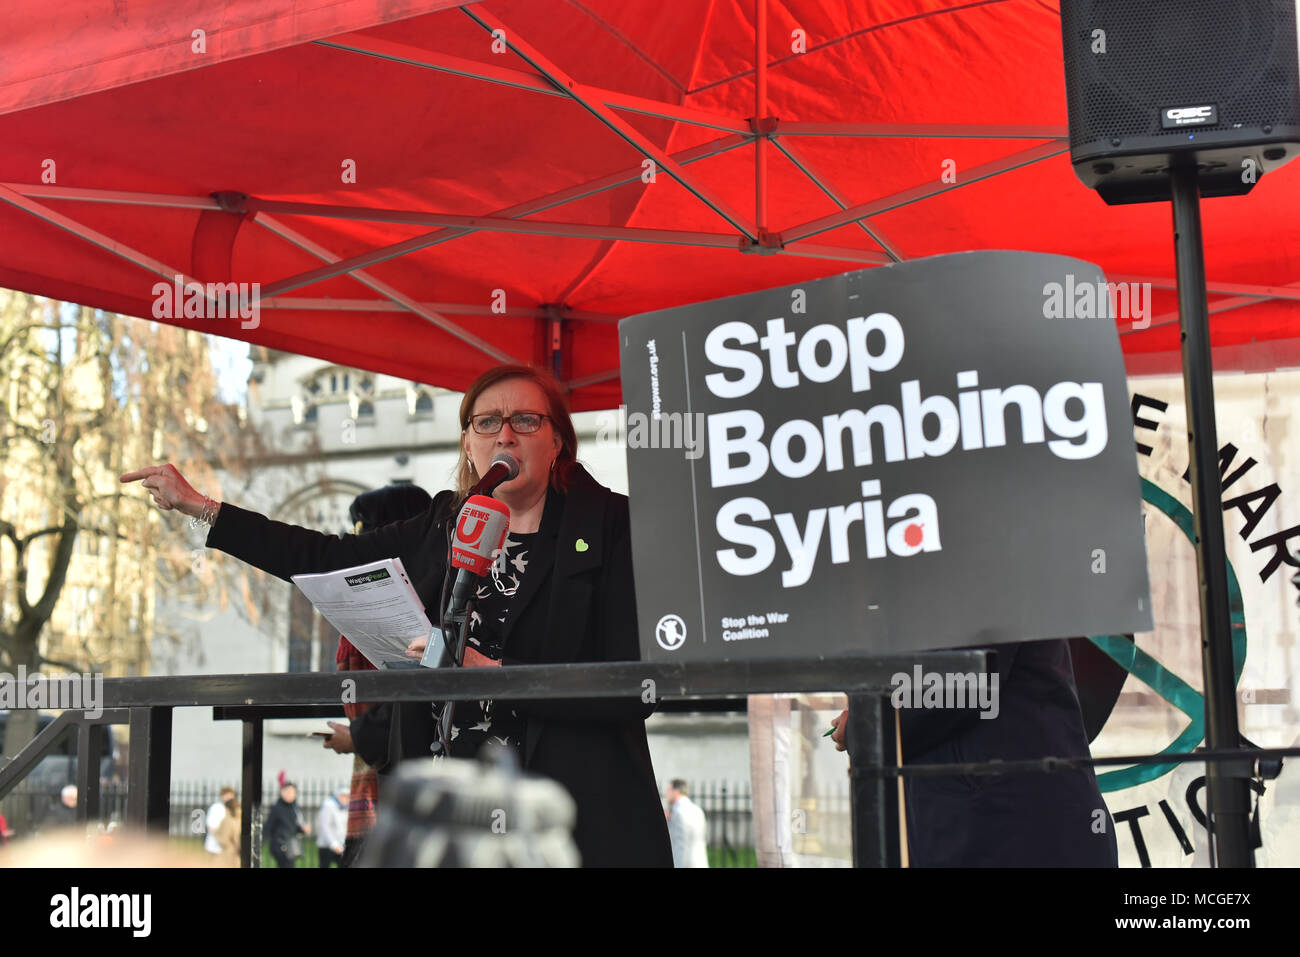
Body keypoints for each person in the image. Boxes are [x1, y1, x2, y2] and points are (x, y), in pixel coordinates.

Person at [122, 364, 672, 867]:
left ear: (557, 440)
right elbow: (323, 557)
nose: (505, 434)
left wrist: (499, 676)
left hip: (564, 828)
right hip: (446, 827)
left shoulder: (610, 526)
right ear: (468, 443)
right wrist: (203, 508)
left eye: (525, 419)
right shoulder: (443, 523)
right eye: (487, 422)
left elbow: (634, 689)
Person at [829, 638, 1119, 867]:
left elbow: (963, 683)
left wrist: (865, 726)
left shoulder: (973, 575)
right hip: (985, 821)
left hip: (1008, 826)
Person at [322, 483, 434, 867]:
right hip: (378, 773)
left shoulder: (419, 601)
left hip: (403, 777)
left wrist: (357, 735)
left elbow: (417, 695)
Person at [264, 780, 309, 869]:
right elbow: (269, 826)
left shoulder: (294, 808)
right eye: (287, 791)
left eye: (292, 792)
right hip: (280, 844)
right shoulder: (277, 808)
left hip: (290, 844)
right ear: (282, 792)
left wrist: (302, 829)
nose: (290, 794)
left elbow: (293, 827)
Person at [665, 779, 709, 868]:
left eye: (669, 790)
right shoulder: (698, 810)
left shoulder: (678, 812)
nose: (666, 793)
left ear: (676, 791)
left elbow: (680, 845)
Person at [316, 788, 348, 868]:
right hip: (326, 845)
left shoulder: (347, 807)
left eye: (347, 796)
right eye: (343, 796)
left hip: (341, 844)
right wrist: (334, 844)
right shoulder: (328, 805)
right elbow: (325, 826)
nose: (345, 798)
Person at [204, 786, 235, 856]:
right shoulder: (216, 808)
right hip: (215, 848)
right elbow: (212, 827)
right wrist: (222, 838)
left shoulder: (235, 809)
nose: (228, 798)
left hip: (229, 849)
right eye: (226, 795)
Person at [213, 791, 241, 867]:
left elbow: (224, 839)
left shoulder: (227, 821)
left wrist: (216, 834)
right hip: (239, 854)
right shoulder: (241, 820)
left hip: (229, 853)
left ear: (227, 809)